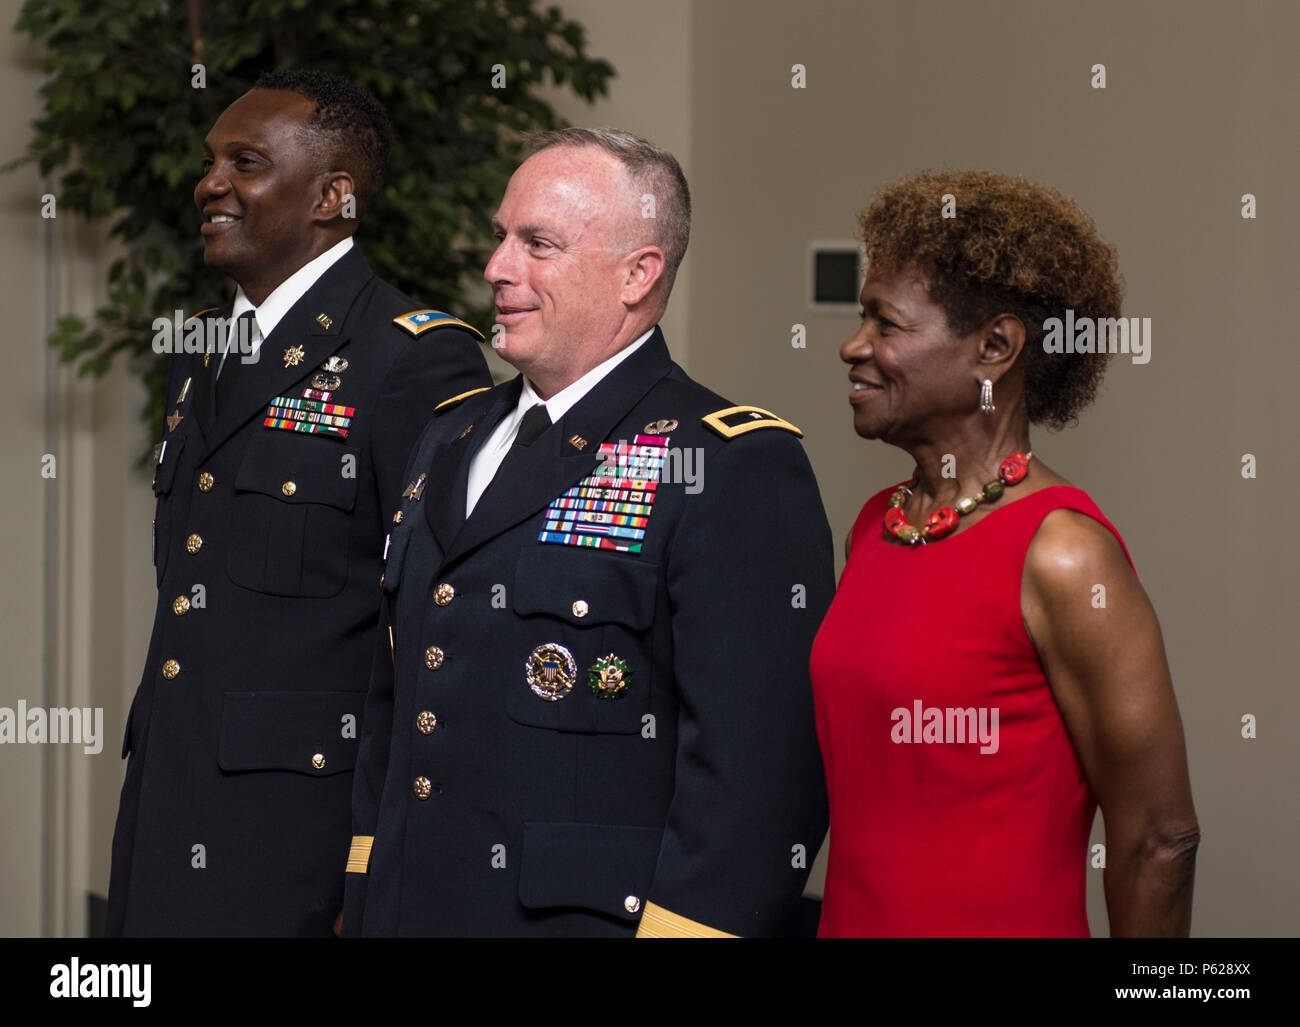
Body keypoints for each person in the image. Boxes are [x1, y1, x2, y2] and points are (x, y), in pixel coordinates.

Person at [340, 128, 833, 937]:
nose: (496, 267)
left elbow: (758, 777)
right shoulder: (450, 434)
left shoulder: (725, 462)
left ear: (638, 274)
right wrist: (364, 894)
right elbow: (393, 708)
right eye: (501, 236)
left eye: (538, 244)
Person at [106, 69, 491, 936]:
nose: (210, 184)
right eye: (211, 162)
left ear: (330, 197)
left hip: (300, 842)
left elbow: (433, 633)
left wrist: (373, 869)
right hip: (166, 805)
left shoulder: (412, 358)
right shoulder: (201, 349)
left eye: (245, 162)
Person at [811, 170, 1199, 937]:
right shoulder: (874, 527)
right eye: (861, 318)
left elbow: (1160, 839)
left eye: (886, 324)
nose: (852, 346)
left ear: (994, 347)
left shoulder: (1065, 556)